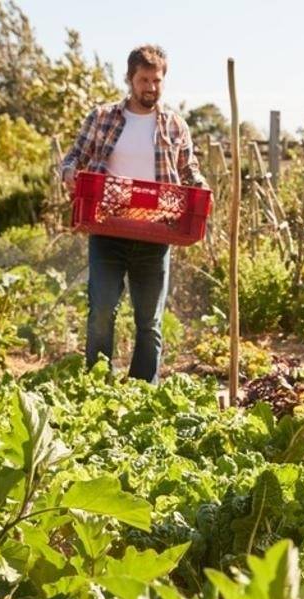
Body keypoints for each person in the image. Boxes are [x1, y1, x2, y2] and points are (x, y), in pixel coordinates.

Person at [60, 44, 206, 383]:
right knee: (101, 311)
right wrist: (69, 173)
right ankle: (96, 384)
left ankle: (143, 393)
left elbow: (190, 170)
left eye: (157, 80)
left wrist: (200, 186)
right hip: (108, 228)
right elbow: (72, 158)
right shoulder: (102, 117)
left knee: (149, 321)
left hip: (156, 232)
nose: (150, 87)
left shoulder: (174, 125)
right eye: (144, 80)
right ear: (129, 79)